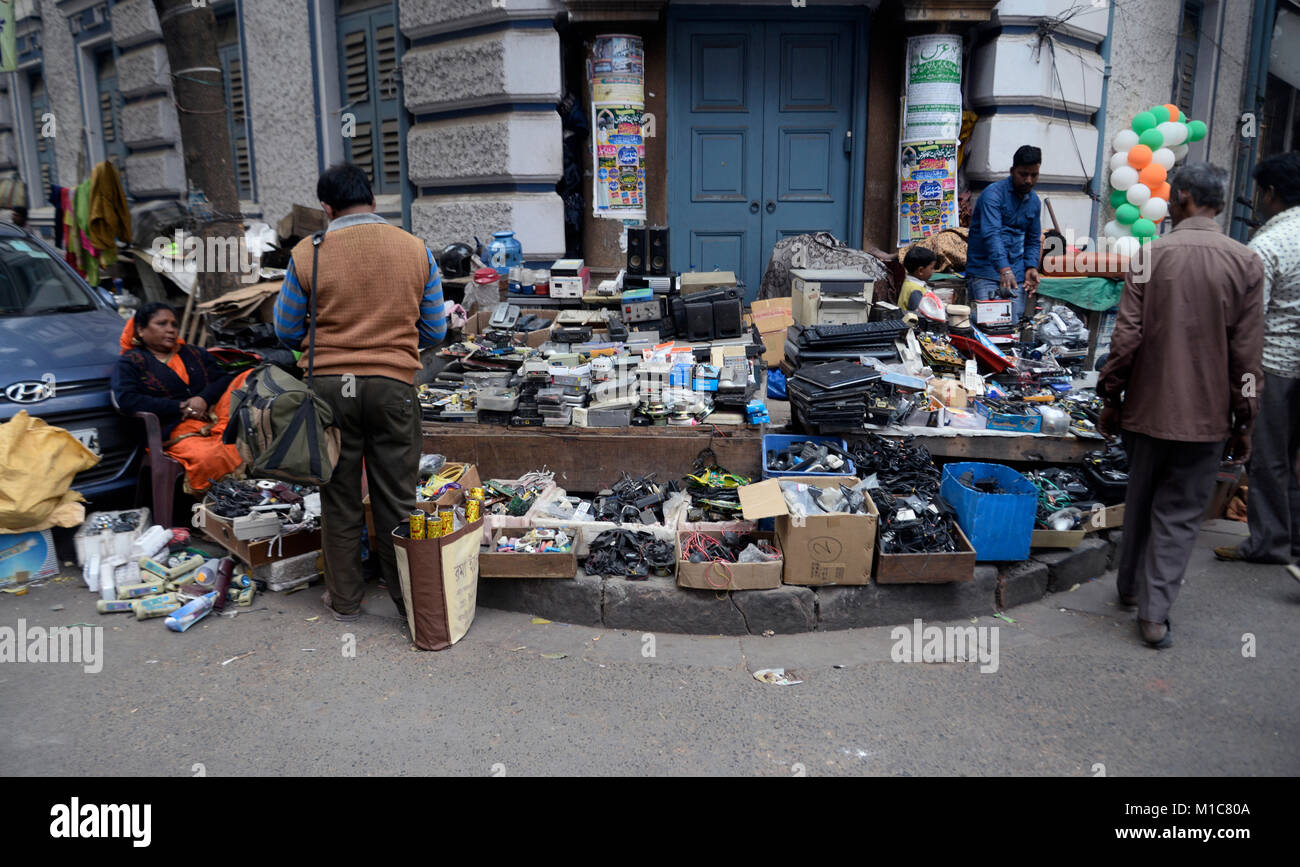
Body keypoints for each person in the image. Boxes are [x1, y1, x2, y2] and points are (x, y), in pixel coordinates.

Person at [1098, 162, 1265, 649]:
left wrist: (1111, 396)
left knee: (1142, 500)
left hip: (1147, 409)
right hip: (1208, 418)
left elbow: (1126, 338)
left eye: (1173, 196)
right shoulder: (1244, 262)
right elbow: (1247, 354)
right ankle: (1154, 614)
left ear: (1187, 198)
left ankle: (1129, 588)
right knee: (1177, 516)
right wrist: (1245, 417)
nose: (1168, 203)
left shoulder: (1152, 255)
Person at [273, 164, 447, 623]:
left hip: (330, 389)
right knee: (398, 499)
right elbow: (435, 329)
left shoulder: (308, 253)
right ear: (373, 199)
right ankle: (411, 603)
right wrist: (392, 347)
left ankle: (346, 600)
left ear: (327, 208)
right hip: (393, 387)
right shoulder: (416, 249)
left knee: (340, 498)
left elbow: (286, 328)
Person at [1214, 152, 1300, 576]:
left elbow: (1251, 319)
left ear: (1269, 193)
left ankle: (1269, 542)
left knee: (1268, 458)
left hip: (1276, 366)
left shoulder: (1268, 245)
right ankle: (1295, 540)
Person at [111, 302, 250, 494]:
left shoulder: (193, 353)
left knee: (249, 378)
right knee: (207, 456)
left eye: (174, 325)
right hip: (171, 430)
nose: (170, 330)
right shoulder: (131, 362)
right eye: (162, 324)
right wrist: (180, 407)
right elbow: (128, 400)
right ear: (141, 330)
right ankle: (220, 502)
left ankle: (247, 498)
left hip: (212, 419)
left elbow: (222, 379)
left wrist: (202, 399)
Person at [967, 145, 1042, 322]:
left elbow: (1033, 239)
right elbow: (991, 234)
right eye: (1023, 174)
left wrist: (1031, 266)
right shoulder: (992, 195)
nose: (1029, 180)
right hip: (985, 272)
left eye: (1034, 175)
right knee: (989, 327)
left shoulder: (1035, 202)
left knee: (1012, 327)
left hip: (1015, 273)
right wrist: (1004, 269)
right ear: (1012, 171)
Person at [899, 246, 937, 313]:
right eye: (932, 268)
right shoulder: (915, 290)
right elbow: (921, 314)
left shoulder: (908, 282)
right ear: (920, 271)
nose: (934, 271)